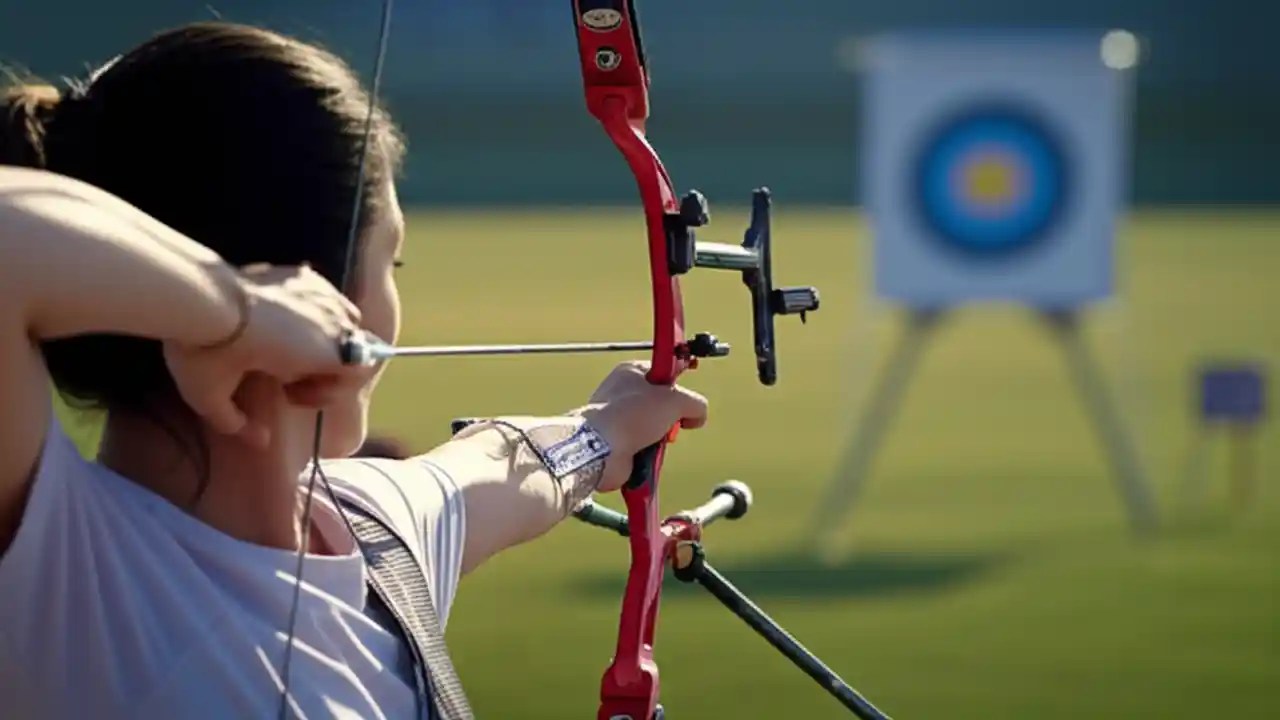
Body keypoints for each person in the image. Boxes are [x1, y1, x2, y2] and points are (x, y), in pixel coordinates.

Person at [0, 21, 708, 720]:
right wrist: (234, 307)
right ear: (319, 297)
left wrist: (603, 430)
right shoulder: (61, 571)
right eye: (389, 262)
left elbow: (503, 466)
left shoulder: (369, 530)